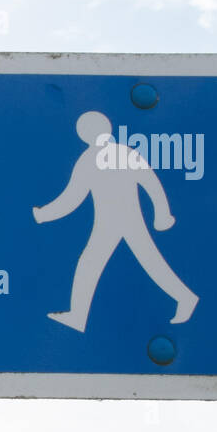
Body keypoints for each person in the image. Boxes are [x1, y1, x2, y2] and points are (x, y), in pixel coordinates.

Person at [33, 110, 197, 332]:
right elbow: (151, 183)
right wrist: (162, 213)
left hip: (119, 220)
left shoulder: (92, 159)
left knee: (103, 263)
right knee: (135, 262)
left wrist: (43, 214)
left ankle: (185, 298)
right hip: (115, 221)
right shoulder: (121, 153)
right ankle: (78, 316)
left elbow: (73, 198)